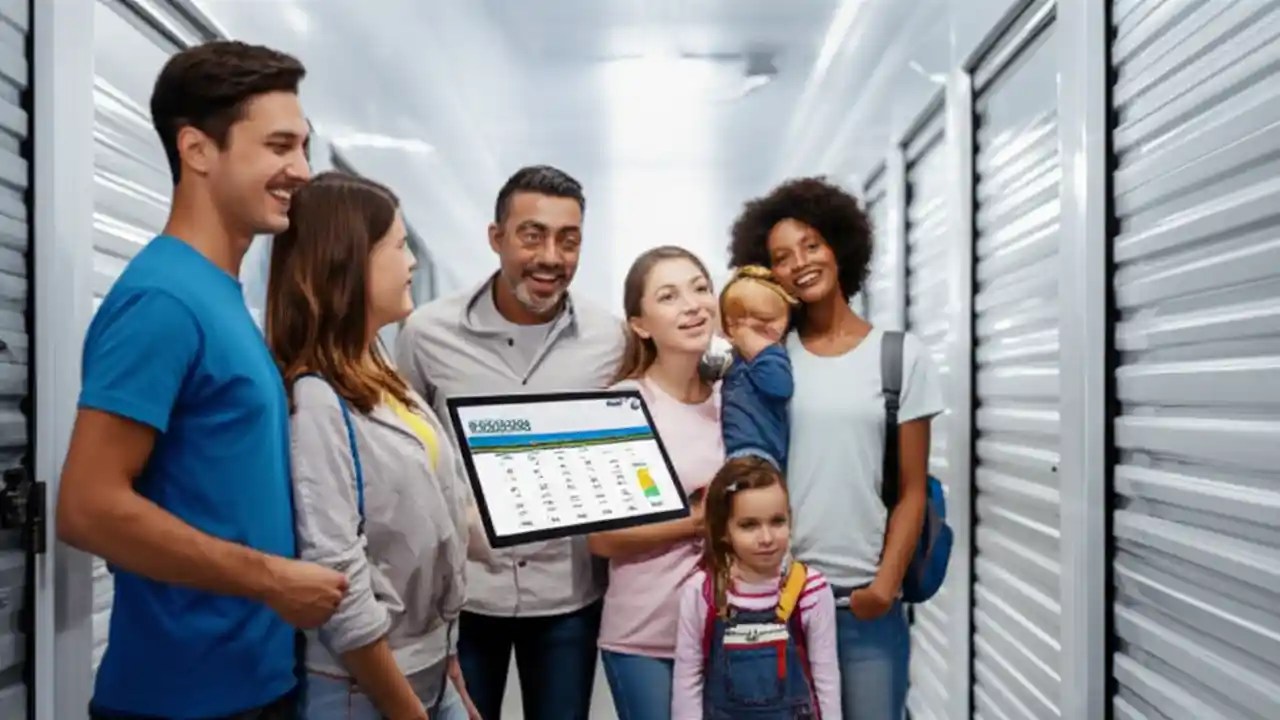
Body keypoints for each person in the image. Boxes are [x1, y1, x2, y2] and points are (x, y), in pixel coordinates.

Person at [54, 41, 348, 719]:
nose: (301, 171)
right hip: (181, 702)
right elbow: (87, 506)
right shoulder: (163, 301)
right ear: (197, 150)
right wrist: (271, 579)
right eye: (278, 146)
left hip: (255, 684)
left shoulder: (221, 298)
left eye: (303, 147)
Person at [395, 165, 625, 719]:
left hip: (569, 597)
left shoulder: (608, 339)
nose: (551, 255)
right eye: (532, 235)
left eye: (568, 240)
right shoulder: (428, 334)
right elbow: (407, 452)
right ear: (496, 238)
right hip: (467, 597)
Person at [728, 176, 945, 719]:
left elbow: (913, 489)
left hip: (862, 604)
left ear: (838, 246)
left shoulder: (899, 356)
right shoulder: (767, 361)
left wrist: (885, 586)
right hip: (775, 602)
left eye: (811, 244)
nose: (800, 262)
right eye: (781, 256)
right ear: (767, 272)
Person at [265, 171, 479, 720]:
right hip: (363, 690)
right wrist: (405, 708)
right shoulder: (316, 401)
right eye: (399, 246)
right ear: (350, 260)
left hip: (429, 667)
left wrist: (448, 664)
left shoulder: (381, 370)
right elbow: (337, 570)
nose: (411, 262)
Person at [587, 245, 726, 719]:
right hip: (646, 636)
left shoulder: (738, 398)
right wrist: (700, 522)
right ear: (641, 325)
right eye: (668, 296)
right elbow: (603, 538)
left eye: (701, 288)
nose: (692, 305)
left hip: (729, 630)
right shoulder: (622, 405)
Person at [672, 456, 841, 720]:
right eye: (748, 525)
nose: (766, 538)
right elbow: (687, 679)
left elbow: (827, 679)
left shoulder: (811, 590)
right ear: (723, 531)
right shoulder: (702, 592)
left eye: (777, 521)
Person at [717, 264, 797, 470]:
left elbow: (780, 388)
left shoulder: (773, 355)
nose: (751, 329)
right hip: (728, 450)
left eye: (765, 321)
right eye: (736, 323)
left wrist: (758, 350)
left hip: (761, 452)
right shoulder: (732, 357)